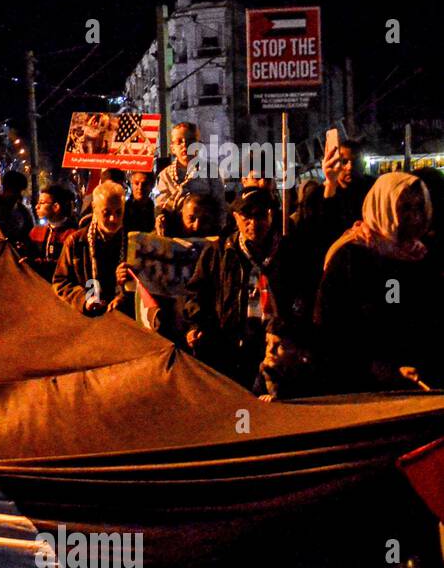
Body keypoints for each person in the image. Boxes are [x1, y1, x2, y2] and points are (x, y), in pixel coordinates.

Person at [314, 172, 436, 393]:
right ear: (383, 207)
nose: (415, 217)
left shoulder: (420, 255)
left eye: (419, 207)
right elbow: (330, 326)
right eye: (405, 208)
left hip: (415, 385)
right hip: (359, 387)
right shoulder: (350, 255)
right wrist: (378, 367)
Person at [183, 187, 305, 387]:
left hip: (273, 353)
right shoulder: (219, 252)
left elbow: (301, 298)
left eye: (260, 215)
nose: (254, 223)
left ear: (270, 215)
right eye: (246, 216)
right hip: (228, 349)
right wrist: (196, 325)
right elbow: (196, 293)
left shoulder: (289, 252)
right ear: (236, 217)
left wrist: (286, 330)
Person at [53, 181, 132, 317]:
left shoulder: (133, 242)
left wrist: (126, 290)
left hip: (123, 322)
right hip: (86, 324)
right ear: (94, 208)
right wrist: (84, 300)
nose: (113, 219)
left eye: (119, 212)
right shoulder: (76, 242)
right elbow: (61, 282)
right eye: (106, 213)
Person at [155, 123, 224, 234]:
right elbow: (161, 205)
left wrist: (219, 230)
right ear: (172, 148)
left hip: (206, 231)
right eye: (179, 141)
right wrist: (161, 218)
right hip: (176, 232)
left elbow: (220, 204)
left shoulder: (211, 172)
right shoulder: (165, 175)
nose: (185, 145)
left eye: (190, 141)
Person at [319, 138, 373, 246]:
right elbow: (322, 227)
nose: (350, 167)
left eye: (356, 162)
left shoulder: (374, 187)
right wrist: (330, 183)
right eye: (344, 162)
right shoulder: (321, 192)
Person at [27, 185, 78, 280]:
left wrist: (39, 264)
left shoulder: (73, 235)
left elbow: (67, 266)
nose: (36, 206)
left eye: (42, 203)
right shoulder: (36, 231)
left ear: (56, 207)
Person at [0, 171, 34, 250]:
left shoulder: (23, 212)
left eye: (20, 191)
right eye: (15, 191)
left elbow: (28, 235)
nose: (18, 195)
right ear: (5, 188)